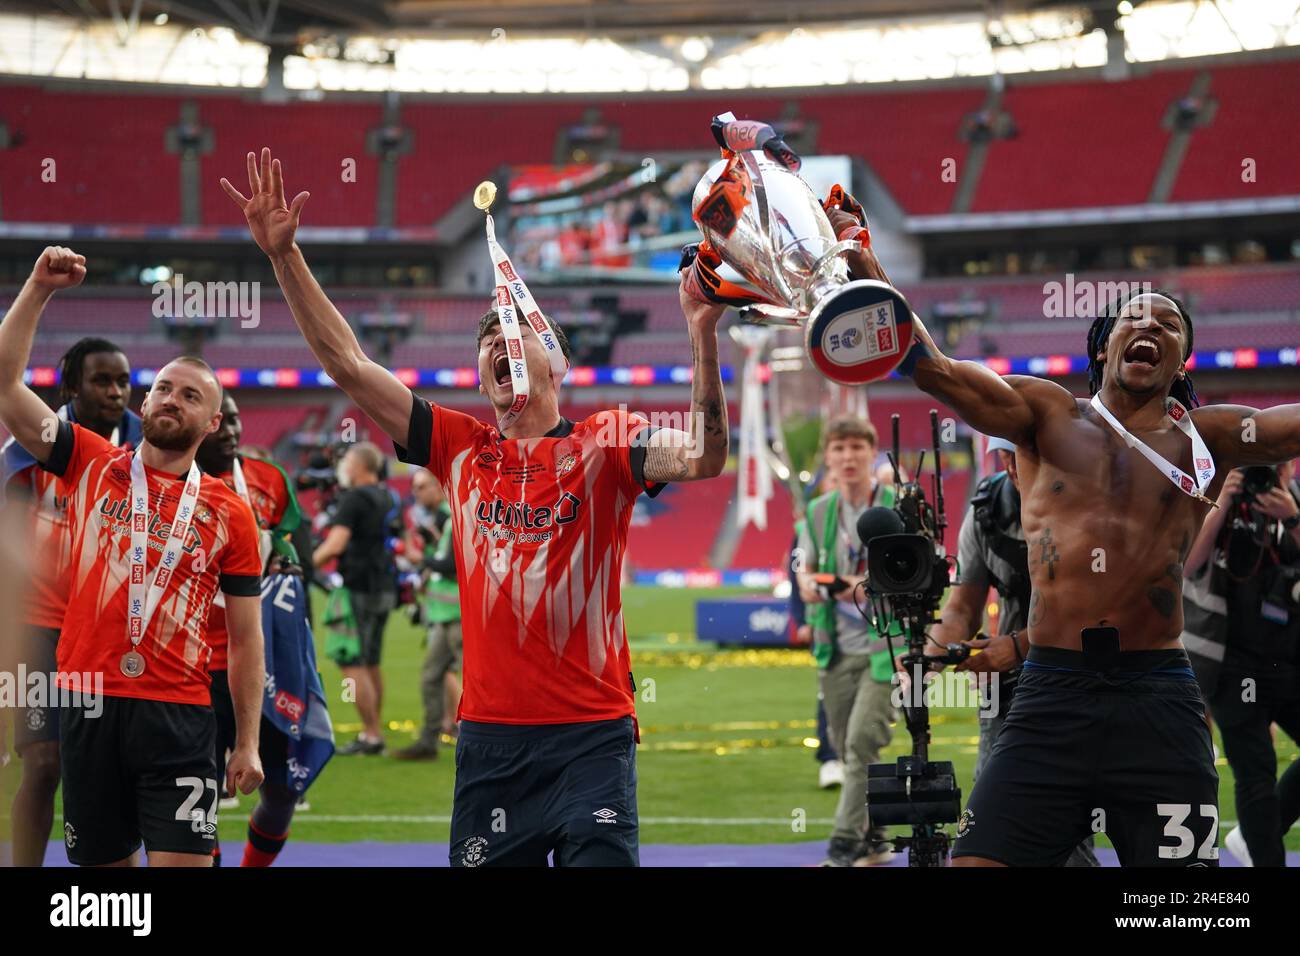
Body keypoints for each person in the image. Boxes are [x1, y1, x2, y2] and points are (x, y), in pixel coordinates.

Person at [223, 147, 728, 866]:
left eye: (510, 330)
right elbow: (347, 365)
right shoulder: (457, 446)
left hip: (593, 734)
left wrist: (700, 332)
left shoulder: (606, 442)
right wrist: (285, 259)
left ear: (550, 359)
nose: (495, 340)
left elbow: (707, 455)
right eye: (485, 337)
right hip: (490, 739)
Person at [880, 253, 1300, 864]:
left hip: (1158, 692)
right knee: (977, 860)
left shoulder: (1207, 439)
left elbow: (1287, 427)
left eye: (1169, 325)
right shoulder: (1046, 414)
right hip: (1052, 689)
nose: (1151, 328)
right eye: (1135, 317)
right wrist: (869, 276)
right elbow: (939, 374)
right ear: (1103, 348)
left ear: (1181, 362)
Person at [0, 246, 265, 867]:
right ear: (141, 407)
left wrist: (247, 741)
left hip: (179, 713)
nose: (171, 399)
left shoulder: (230, 512)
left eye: (191, 396)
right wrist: (38, 289)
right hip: (87, 701)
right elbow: (7, 384)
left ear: (210, 424)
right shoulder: (88, 462)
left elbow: (249, 641)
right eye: (163, 389)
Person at [925, 436, 1099, 867]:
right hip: (1008, 691)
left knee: (1068, 833)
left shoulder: (1091, 506)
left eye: (1028, 453)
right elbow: (963, 606)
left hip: (1079, 682)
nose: (1016, 466)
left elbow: (1097, 607)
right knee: (986, 825)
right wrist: (935, 653)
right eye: (1009, 455)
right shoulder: (984, 512)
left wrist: (1018, 647)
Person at [2, 336, 141, 867]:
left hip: (104, 636)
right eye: (102, 381)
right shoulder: (31, 450)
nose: (115, 392)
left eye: (124, 382)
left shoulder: (142, 451)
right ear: (71, 388)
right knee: (42, 762)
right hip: (37, 626)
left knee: (103, 768)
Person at [195, 392, 308, 865]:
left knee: (283, 788)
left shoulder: (269, 479)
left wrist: (288, 561)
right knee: (197, 798)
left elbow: (294, 554)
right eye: (221, 422)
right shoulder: (165, 483)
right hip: (195, 661)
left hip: (264, 659)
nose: (233, 430)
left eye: (237, 421)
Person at [1183, 461, 1300, 867]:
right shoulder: (1216, 503)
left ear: (1291, 466)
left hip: (1288, 660)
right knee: (1256, 776)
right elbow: (1185, 564)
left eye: (1279, 464)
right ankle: (1264, 857)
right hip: (1230, 664)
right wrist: (1223, 502)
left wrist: (1294, 518)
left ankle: (1252, 841)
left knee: (1261, 783)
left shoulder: (1294, 504)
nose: (1269, 476)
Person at [796, 416, 900, 867]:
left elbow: (909, 576)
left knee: (860, 746)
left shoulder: (899, 506)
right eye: (839, 449)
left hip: (887, 650)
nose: (848, 457)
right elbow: (805, 574)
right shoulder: (820, 513)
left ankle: (842, 847)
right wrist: (824, 582)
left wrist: (847, 584)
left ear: (871, 453)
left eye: (857, 447)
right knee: (845, 747)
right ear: (829, 459)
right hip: (834, 649)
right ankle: (876, 840)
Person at [314, 441, 399, 756]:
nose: (343, 467)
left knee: (352, 661)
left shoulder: (353, 498)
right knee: (372, 661)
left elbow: (335, 545)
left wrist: (307, 564)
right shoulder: (388, 495)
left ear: (360, 466)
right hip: (385, 587)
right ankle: (374, 730)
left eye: (347, 461)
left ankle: (372, 734)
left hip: (358, 588)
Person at [393, 467, 462, 761]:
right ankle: (428, 740)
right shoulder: (443, 519)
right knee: (432, 675)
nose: (416, 494)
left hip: (459, 612)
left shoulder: (455, 516)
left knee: (474, 680)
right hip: (443, 612)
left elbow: (453, 565)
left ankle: (484, 740)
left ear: (438, 485)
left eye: (421, 487)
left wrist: (421, 560)